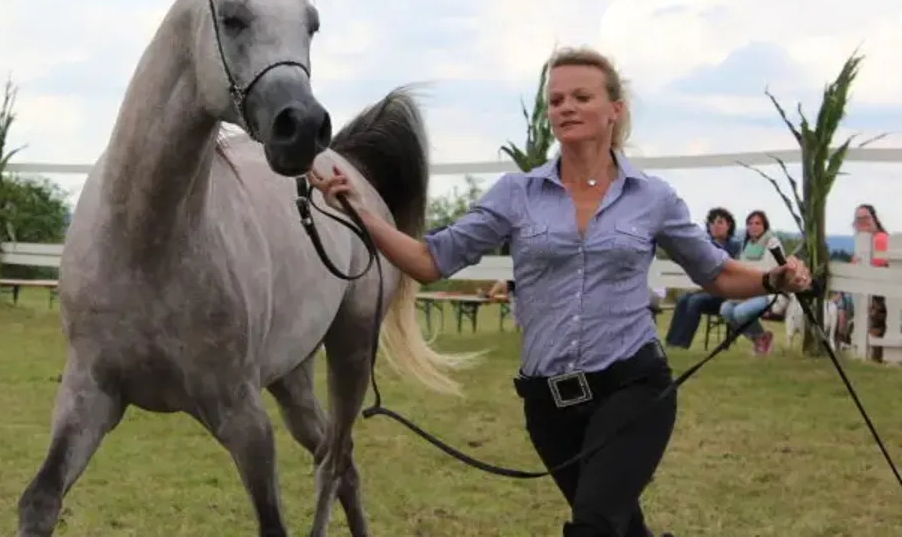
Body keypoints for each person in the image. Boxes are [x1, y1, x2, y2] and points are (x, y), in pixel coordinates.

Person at [308, 46, 812, 537]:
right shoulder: (517, 194)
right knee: (618, 524)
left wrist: (772, 279)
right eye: (556, 100)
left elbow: (715, 273)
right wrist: (363, 214)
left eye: (581, 97)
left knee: (593, 524)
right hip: (549, 406)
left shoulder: (652, 198)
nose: (565, 107)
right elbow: (430, 261)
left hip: (633, 387)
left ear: (615, 110)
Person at [664, 207, 741, 349]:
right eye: (712, 223)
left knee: (695, 301)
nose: (715, 226)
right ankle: (671, 343)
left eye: (720, 222)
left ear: (728, 225)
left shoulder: (735, 246)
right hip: (707, 289)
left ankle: (682, 344)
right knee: (683, 299)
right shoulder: (706, 245)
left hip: (725, 294)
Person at [717, 210, 783, 356]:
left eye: (757, 223)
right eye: (750, 223)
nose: (753, 226)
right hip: (746, 291)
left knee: (740, 312)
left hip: (767, 293)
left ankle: (761, 341)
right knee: (725, 309)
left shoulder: (772, 243)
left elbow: (774, 272)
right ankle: (760, 338)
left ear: (764, 226)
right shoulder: (745, 245)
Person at [834, 204, 889, 360]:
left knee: (841, 305)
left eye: (866, 218)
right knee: (839, 302)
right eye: (858, 219)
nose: (862, 222)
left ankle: (843, 340)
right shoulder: (862, 244)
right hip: (861, 290)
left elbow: (878, 267)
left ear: (874, 219)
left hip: (877, 291)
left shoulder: (880, 239)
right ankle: (843, 341)